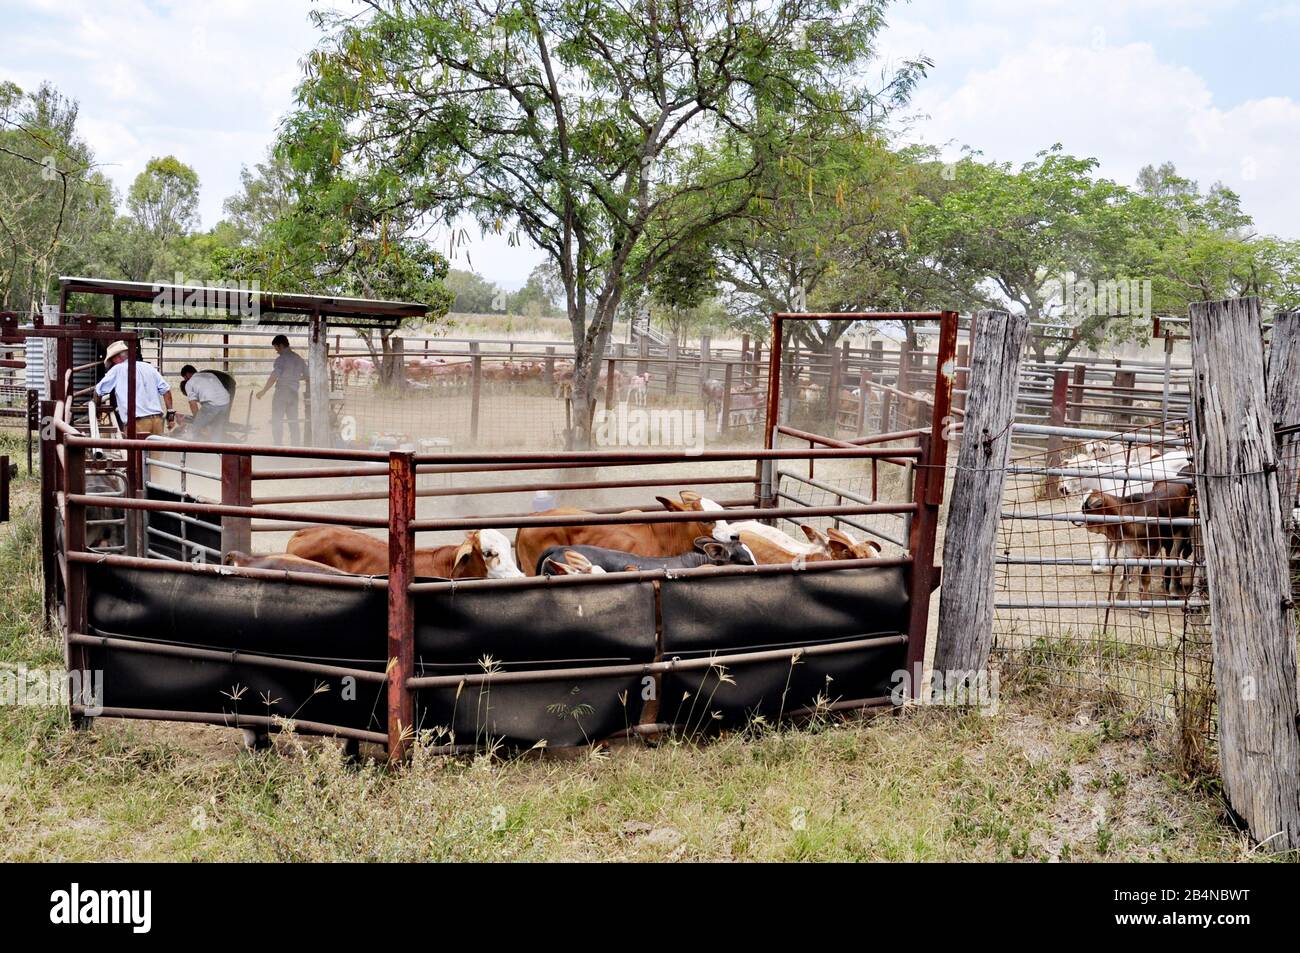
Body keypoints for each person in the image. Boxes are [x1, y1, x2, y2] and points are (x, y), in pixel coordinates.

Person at [94, 340, 175, 436]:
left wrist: (97, 411)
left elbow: (98, 391)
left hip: (137, 422)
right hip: (157, 420)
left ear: (117, 358)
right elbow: (166, 391)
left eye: (112, 360)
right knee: (156, 449)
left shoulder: (117, 369)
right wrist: (170, 415)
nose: (112, 363)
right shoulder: (149, 367)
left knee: (134, 449)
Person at [256, 334, 307, 445]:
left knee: (277, 420)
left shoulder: (281, 360)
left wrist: (263, 391)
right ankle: (296, 446)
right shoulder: (299, 359)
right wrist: (295, 377)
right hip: (293, 393)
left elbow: (274, 377)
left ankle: (278, 446)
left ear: (281, 345)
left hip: (281, 393)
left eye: (276, 348)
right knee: (293, 420)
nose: (276, 351)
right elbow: (307, 375)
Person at [179, 365, 232, 441]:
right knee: (217, 427)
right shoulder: (210, 374)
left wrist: (197, 419)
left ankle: (193, 447)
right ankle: (216, 447)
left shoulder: (189, 383)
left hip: (212, 404)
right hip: (226, 402)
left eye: (185, 378)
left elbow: (192, 404)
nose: (185, 380)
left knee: (195, 428)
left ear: (187, 374)